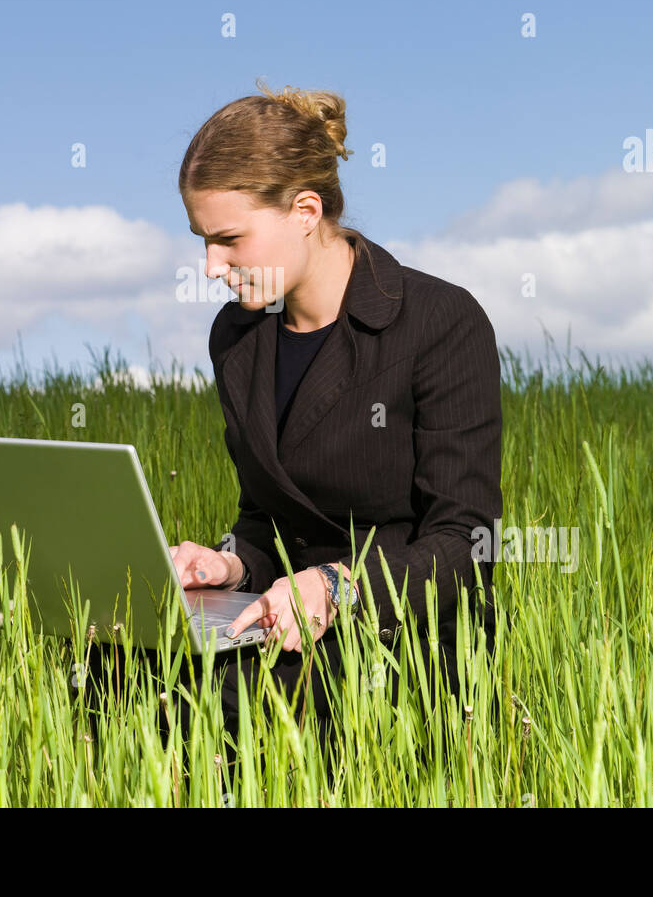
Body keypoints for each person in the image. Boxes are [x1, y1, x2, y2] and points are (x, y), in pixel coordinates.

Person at [166, 78, 505, 739]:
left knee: (223, 701)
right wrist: (230, 563)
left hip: (405, 631)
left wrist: (336, 585)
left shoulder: (440, 323)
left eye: (229, 238)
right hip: (281, 618)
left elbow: (466, 544)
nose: (210, 265)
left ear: (304, 210)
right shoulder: (237, 340)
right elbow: (268, 518)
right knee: (114, 666)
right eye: (201, 239)